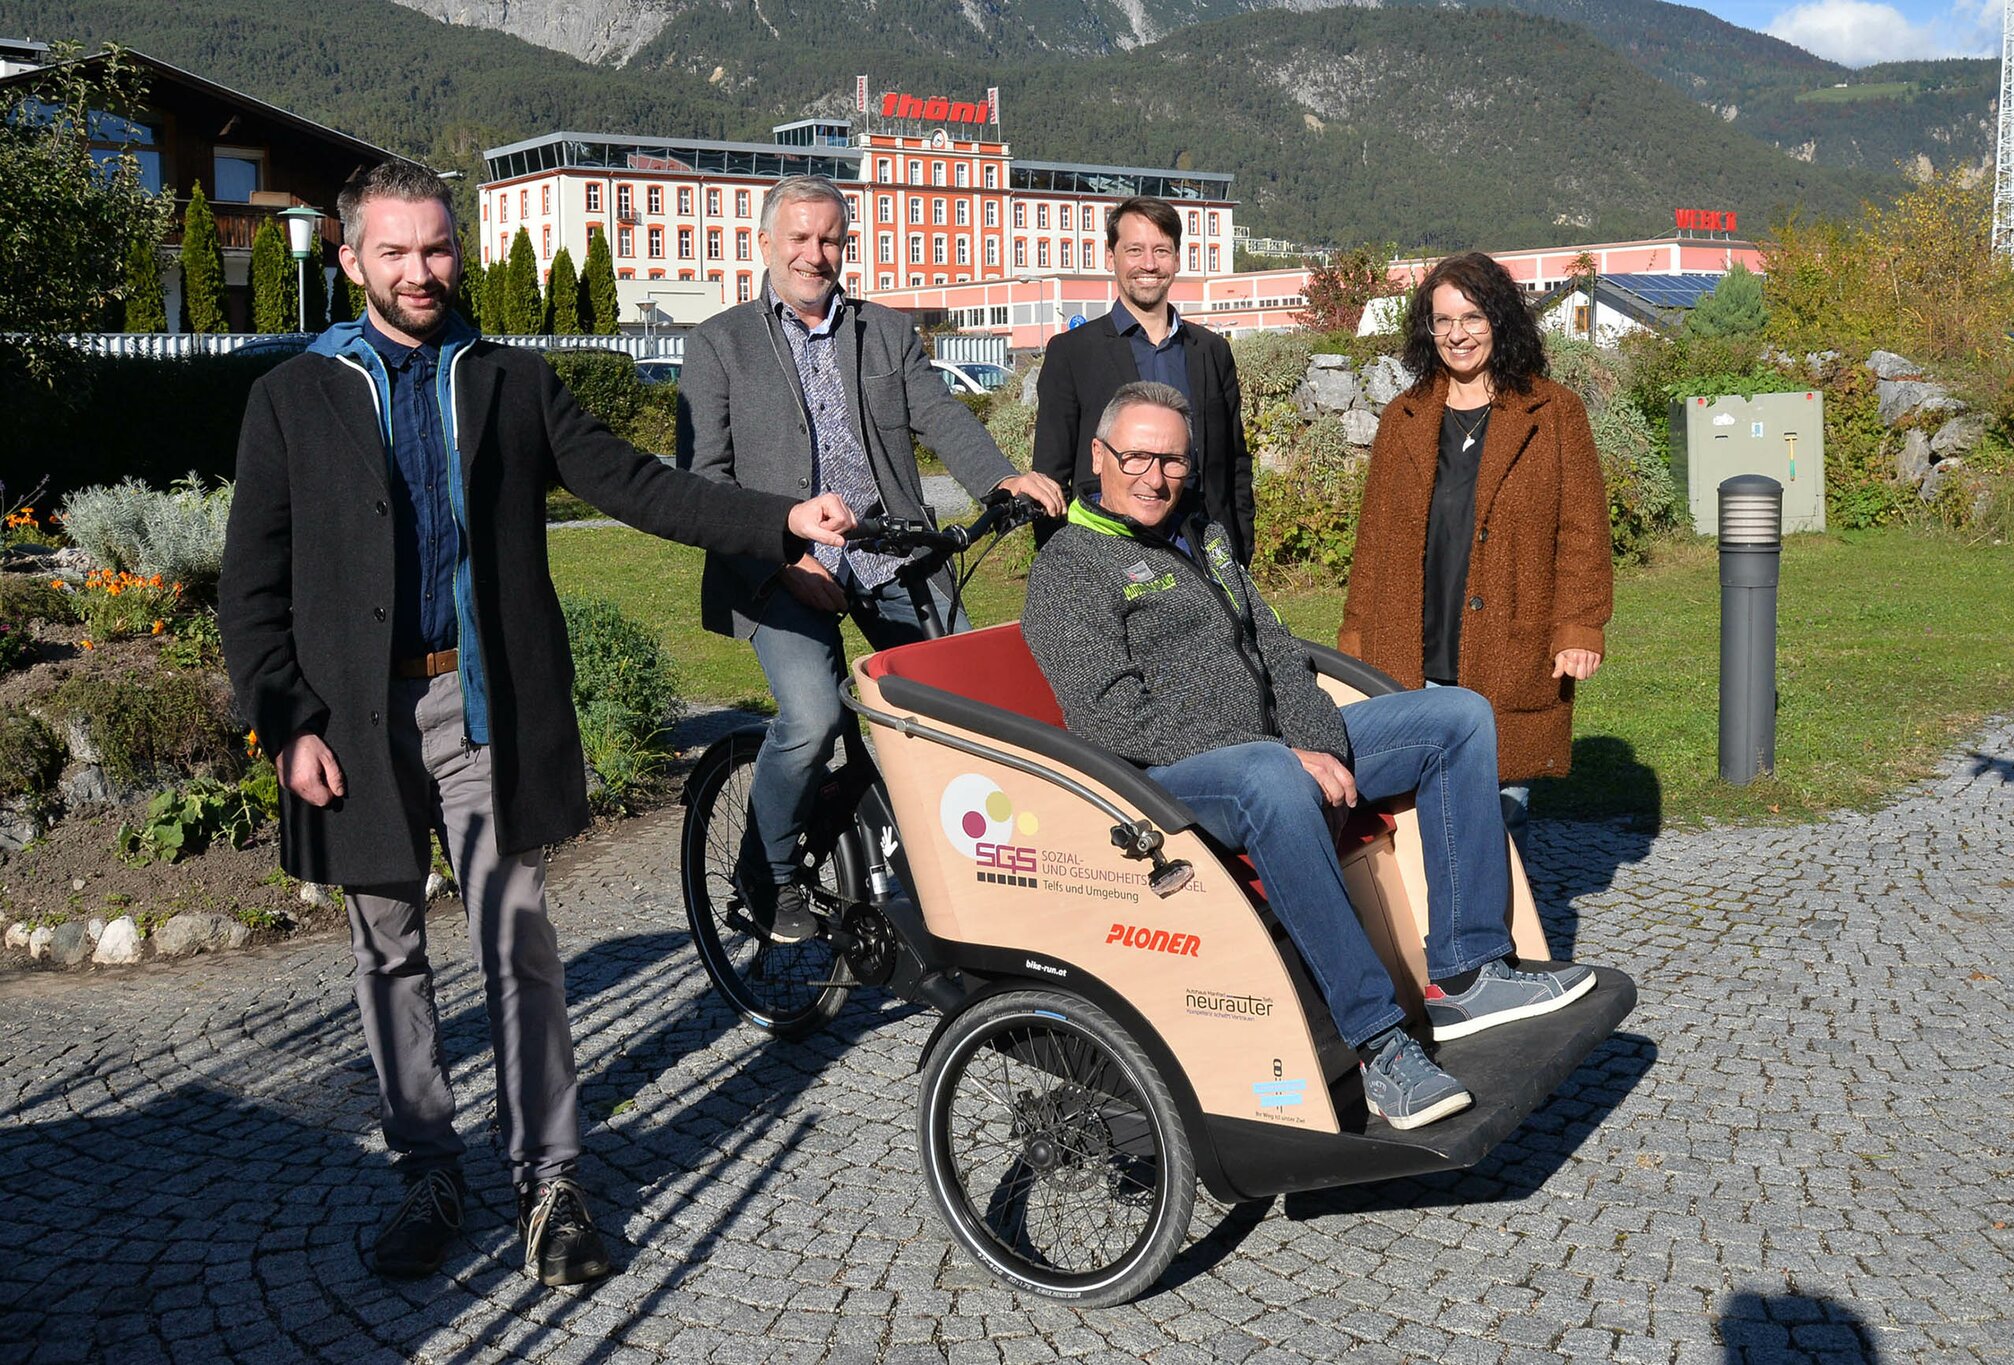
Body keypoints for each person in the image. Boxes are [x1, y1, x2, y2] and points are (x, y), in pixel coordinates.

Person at [218, 160, 855, 1287]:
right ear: (354, 258)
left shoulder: (509, 380)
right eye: (397, 252)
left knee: (517, 942)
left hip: (483, 703)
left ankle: (549, 1183)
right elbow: (251, 582)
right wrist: (286, 721)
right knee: (389, 953)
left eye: (437, 249)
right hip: (354, 720)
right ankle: (428, 1170)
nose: (422, 271)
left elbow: (637, 486)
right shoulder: (292, 395)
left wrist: (773, 519)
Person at [1021, 382, 1597, 1130]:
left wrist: (1314, 744)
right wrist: (1282, 756)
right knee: (1269, 781)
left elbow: (1275, 649)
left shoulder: (1200, 530)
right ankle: (1380, 1045)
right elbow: (1111, 719)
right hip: (1170, 778)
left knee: (1457, 717)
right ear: (1099, 456)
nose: (1154, 476)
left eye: (1171, 460)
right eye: (1136, 455)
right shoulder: (1071, 566)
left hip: (1276, 745)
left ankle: (1468, 970)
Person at [679, 175, 1064, 944]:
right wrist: (782, 556)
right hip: (779, 563)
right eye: (798, 238)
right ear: (764, 243)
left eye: (829, 239)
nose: (813, 254)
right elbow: (704, 484)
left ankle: (965, 860)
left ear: (845, 246)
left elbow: (941, 416)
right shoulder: (718, 343)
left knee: (967, 708)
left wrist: (1000, 478)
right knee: (814, 713)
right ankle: (767, 865)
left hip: (891, 552)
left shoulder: (883, 332)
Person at [1338, 252, 1613, 851]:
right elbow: (1374, 541)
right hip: (1412, 652)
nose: (1456, 334)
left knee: (1498, 820)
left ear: (1501, 319)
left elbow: (1583, 530)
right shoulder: (1403, 418)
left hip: (1511, 648)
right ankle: (1447, 941)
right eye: (1442, 321)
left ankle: (1495, 940)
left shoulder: (1554, 412)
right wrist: (1355, 638)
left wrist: (1579, 625)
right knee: (1413, 830)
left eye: (1471, 317)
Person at [1031, 196, 1254, 560]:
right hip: (1109, 559)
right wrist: (1061, 567)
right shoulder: (1072, 354)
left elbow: (1235, 464)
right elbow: (1049, 481)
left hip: (1204, 555)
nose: (1148, 264)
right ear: (1110, 257)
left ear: (1177, 259)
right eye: (1134, 250)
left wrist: (1240, 551)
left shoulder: (1211, 351)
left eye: (1161, 251)